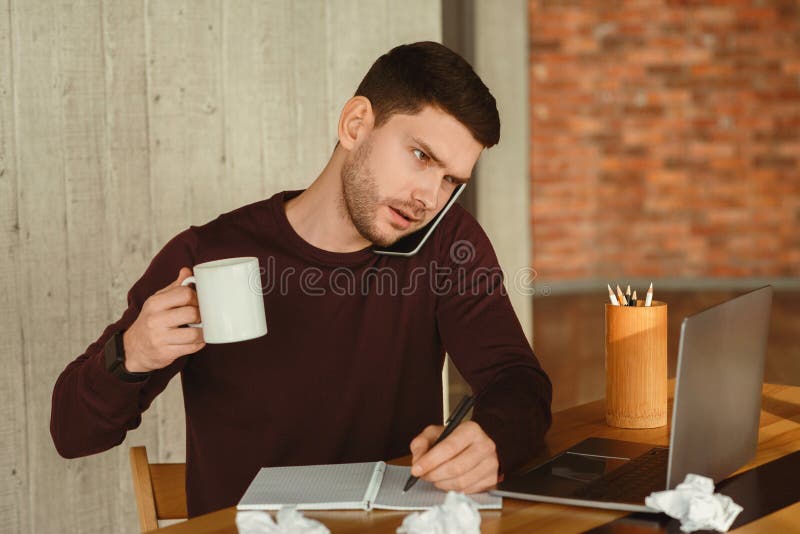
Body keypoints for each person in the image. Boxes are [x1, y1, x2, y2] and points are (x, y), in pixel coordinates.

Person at [50, 41, 552, 517]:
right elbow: (73, 434)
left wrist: (493, 438)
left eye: (450, 181)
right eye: (421, 156)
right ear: (356, 124)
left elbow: (516, 380)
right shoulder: (208, 256)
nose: (428, 197)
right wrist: (131, 354)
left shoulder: (446, 245)